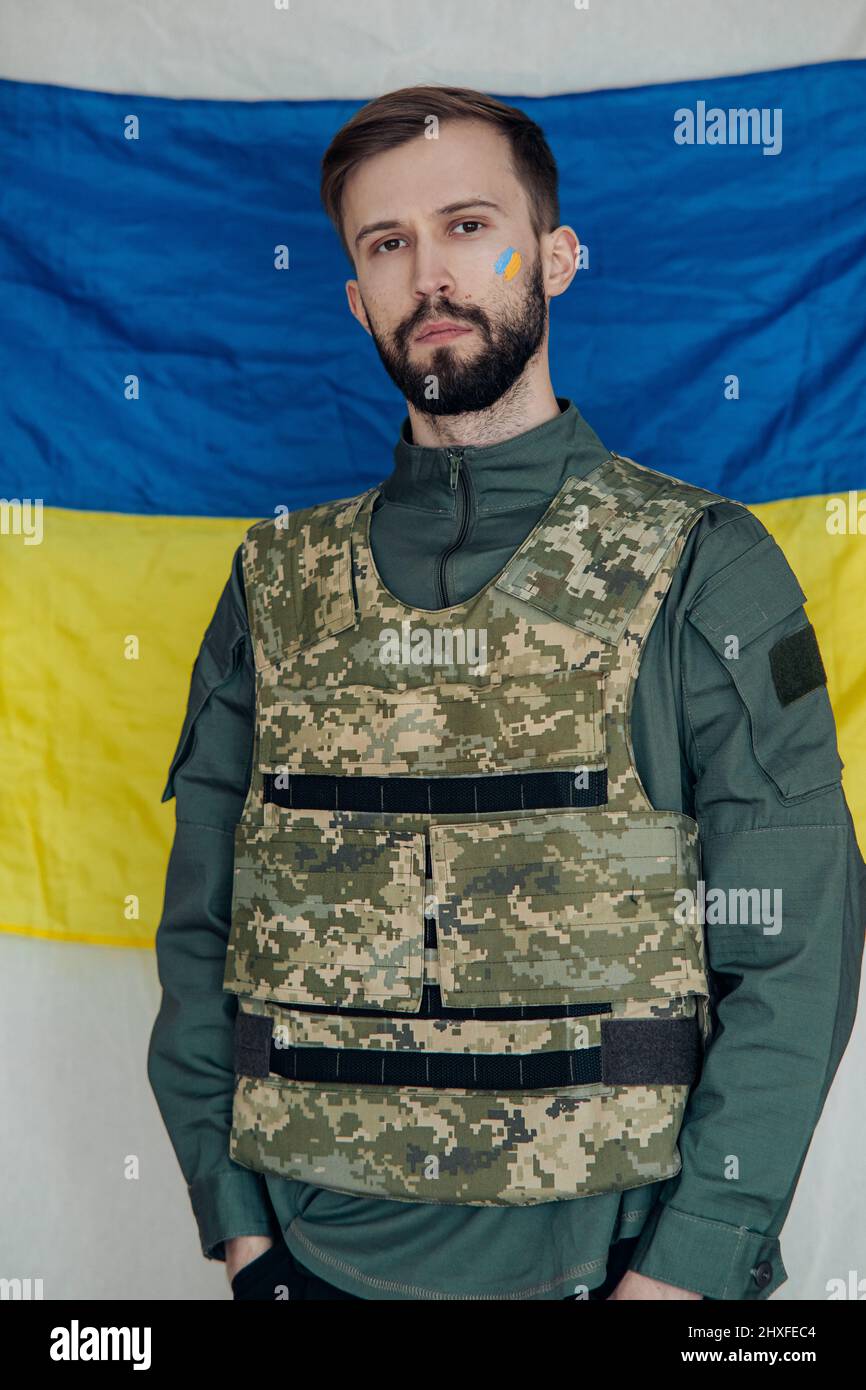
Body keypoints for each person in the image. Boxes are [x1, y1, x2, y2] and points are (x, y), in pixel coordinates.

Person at [147, 85, 864, 1302]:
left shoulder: (702, 563)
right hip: (313, 1263)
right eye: (387, 245)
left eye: (468, 225)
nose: (429, 274)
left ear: (556, 255)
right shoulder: (273, 581)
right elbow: (199, 931)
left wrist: (686, 1269)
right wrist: (240, 1234)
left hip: (619, 1269)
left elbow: (795, 950)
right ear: (355, 296)